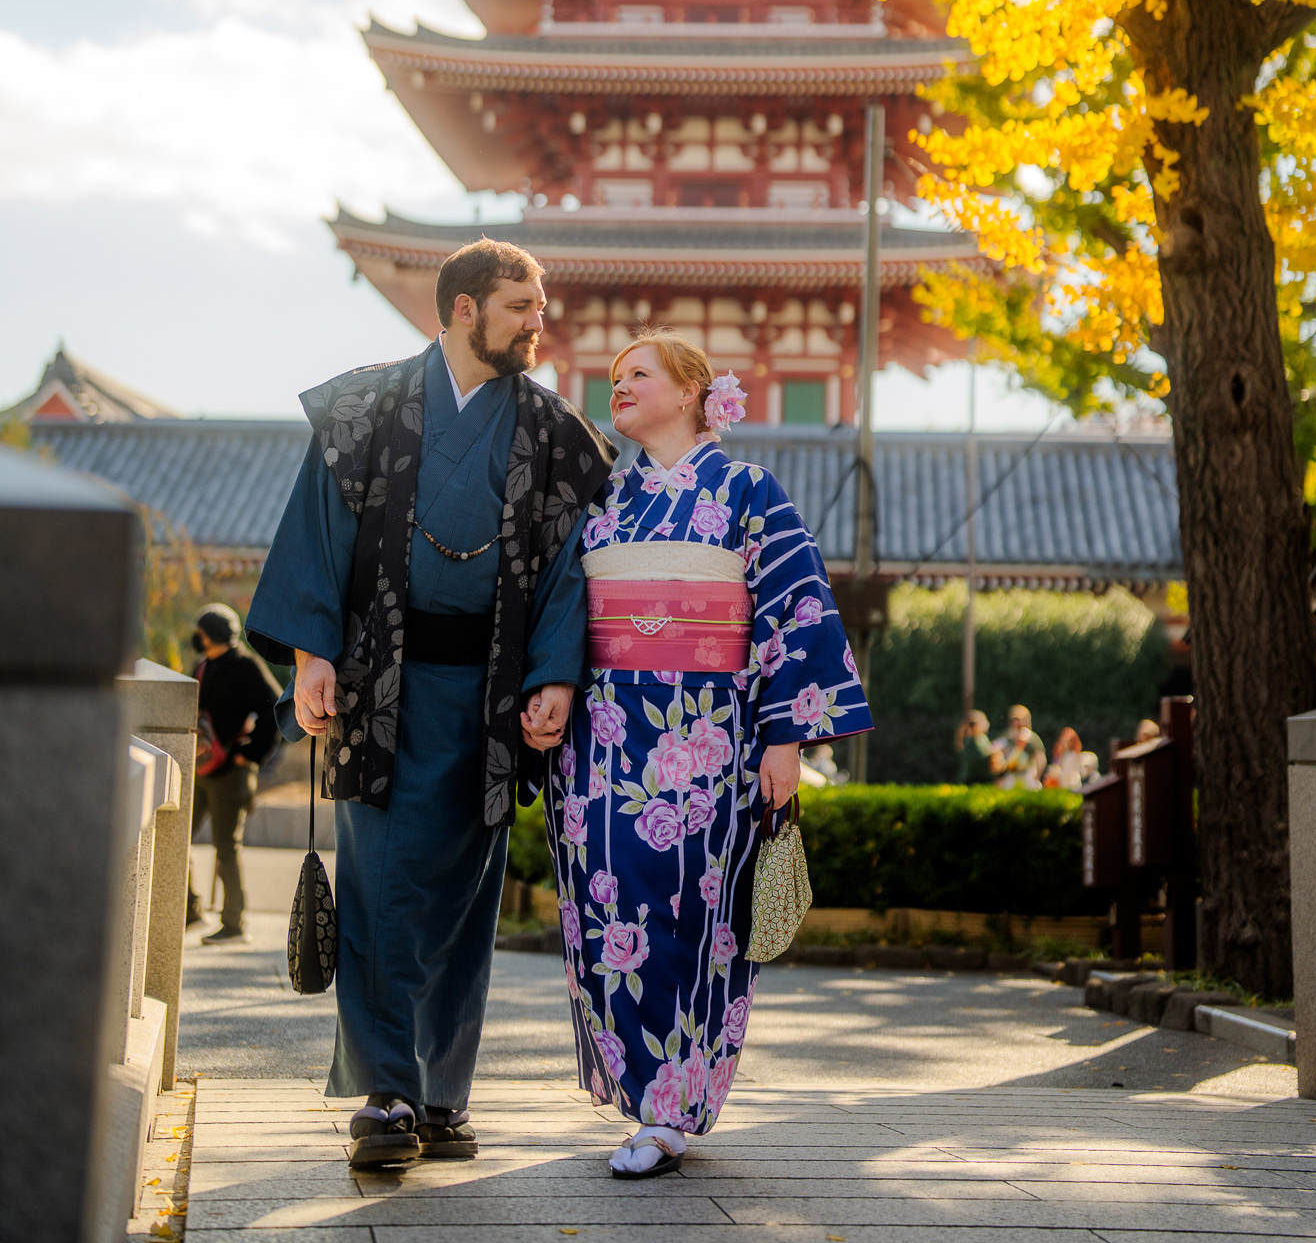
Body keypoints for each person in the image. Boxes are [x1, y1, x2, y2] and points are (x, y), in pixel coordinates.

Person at [245, 239, 615, 1169]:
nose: (540, 321)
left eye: (539, 305)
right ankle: (385, 1093)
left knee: (463, 891)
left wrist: (556, 675)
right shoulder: (364, 407)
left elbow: (571, 570)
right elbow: (320, 533)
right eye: (520, 305)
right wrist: (311, 651)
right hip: (382, 682)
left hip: (489, 694)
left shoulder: (554, 430)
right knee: (381, 886)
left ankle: (441, 1095)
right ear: (460, 309)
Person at [547, 329, 872, 1180]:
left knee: (695, 917)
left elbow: (792, 611)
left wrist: (784, 737)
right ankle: (639, 1096)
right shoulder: (603, 501)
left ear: (693, 390)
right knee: (608, 908)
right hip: (603, 735)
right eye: (612, 377)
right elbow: (560, 615)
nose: (618, 386)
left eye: (638, 374)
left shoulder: (747, 491)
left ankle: (671, 1107)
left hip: (708, 733)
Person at [185, 604, 279, 941]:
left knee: (226, 847)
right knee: (177, 837)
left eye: (201, 633)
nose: (197, 639)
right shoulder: (203, 666)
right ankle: (190, 910)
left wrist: (248, 753)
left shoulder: (245, 667)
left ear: (209, 635)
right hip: (201, 769)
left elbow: (274, 710)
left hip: (231, 774)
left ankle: (234, 924)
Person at [991, 705, 1046, 789]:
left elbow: (1040, 758)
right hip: (1010, 774)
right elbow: (994, 751)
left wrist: (1037, 776)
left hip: (1027, 773)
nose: (1018, 723)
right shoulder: (1006, 736)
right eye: (1015, 719)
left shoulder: (1032, 738)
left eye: (1021, 719)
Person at [955, 709, 994, 785]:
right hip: (975, 780)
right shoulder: (972, 741)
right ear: (976, 725)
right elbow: (979, 759)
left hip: (984, 778)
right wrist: (993, 753)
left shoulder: (982, 738)